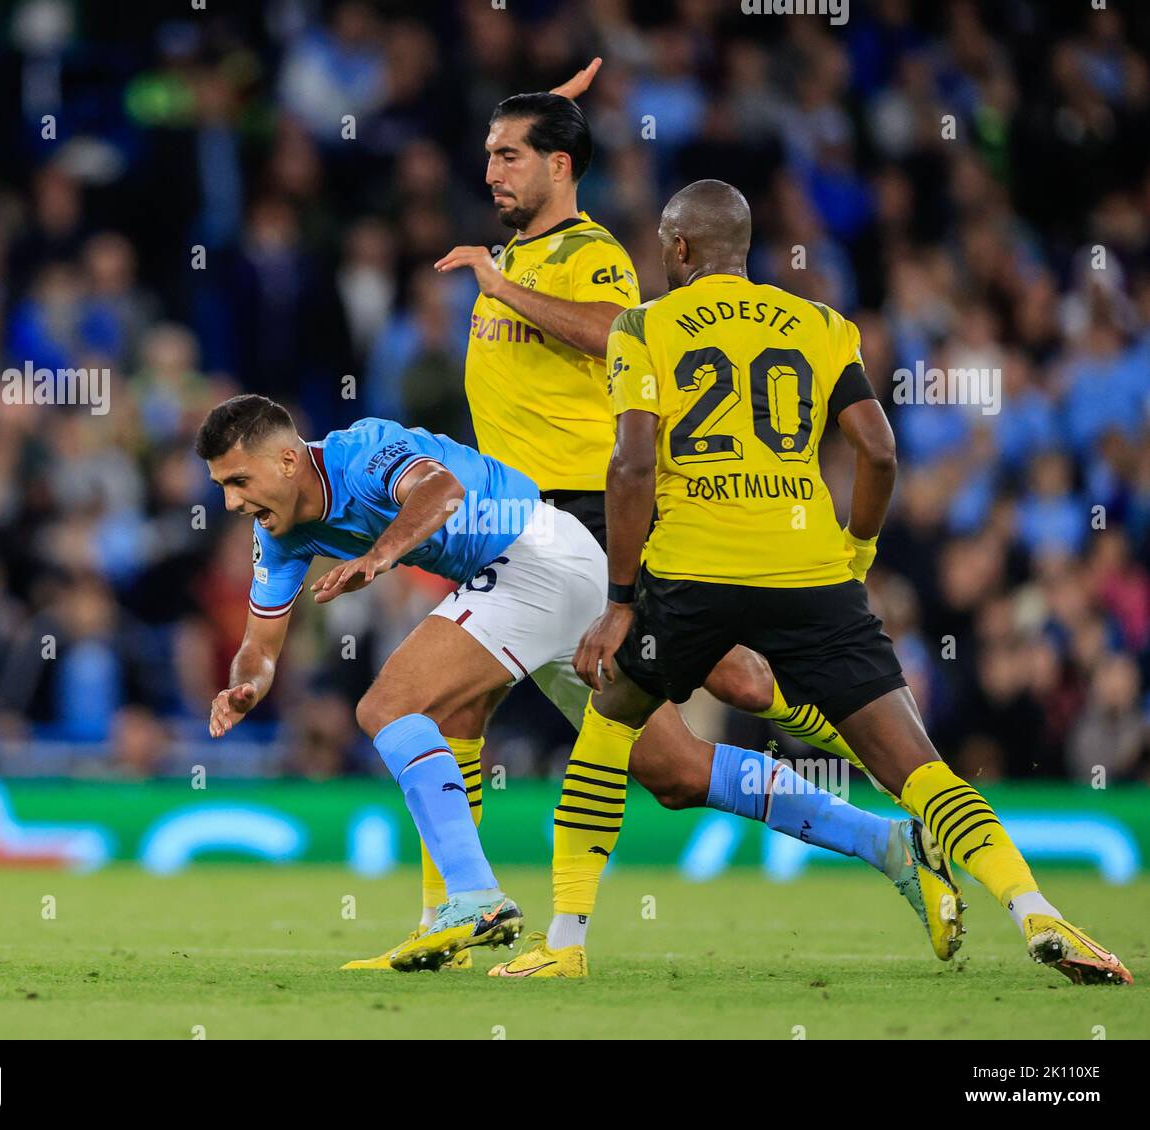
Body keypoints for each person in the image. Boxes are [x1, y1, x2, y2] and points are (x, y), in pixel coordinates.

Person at [347, 72, 959, 979]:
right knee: (670, 767)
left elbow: (615, 326)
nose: (490, 173)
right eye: (485, 156)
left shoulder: (584, 251)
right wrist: (535, 120)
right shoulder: (515, 253)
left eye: (508, 156)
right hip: (522, 524)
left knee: (419, 701)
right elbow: (541, 173)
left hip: (578, 525)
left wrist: (496, 274)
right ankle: (885, 842)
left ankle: (463, 907)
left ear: (561, 168)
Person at [567, 178, 1132, 987]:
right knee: (921, 768)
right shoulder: (822, 325)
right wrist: (858, 555)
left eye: (663, 243)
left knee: (608, 724)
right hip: (809, 569)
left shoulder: (644, 326)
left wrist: (620, 603)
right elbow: (880, 450)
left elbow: (630, 465)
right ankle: (1034, 908)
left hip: (692, 568)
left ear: (681, 249)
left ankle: (564, 939)